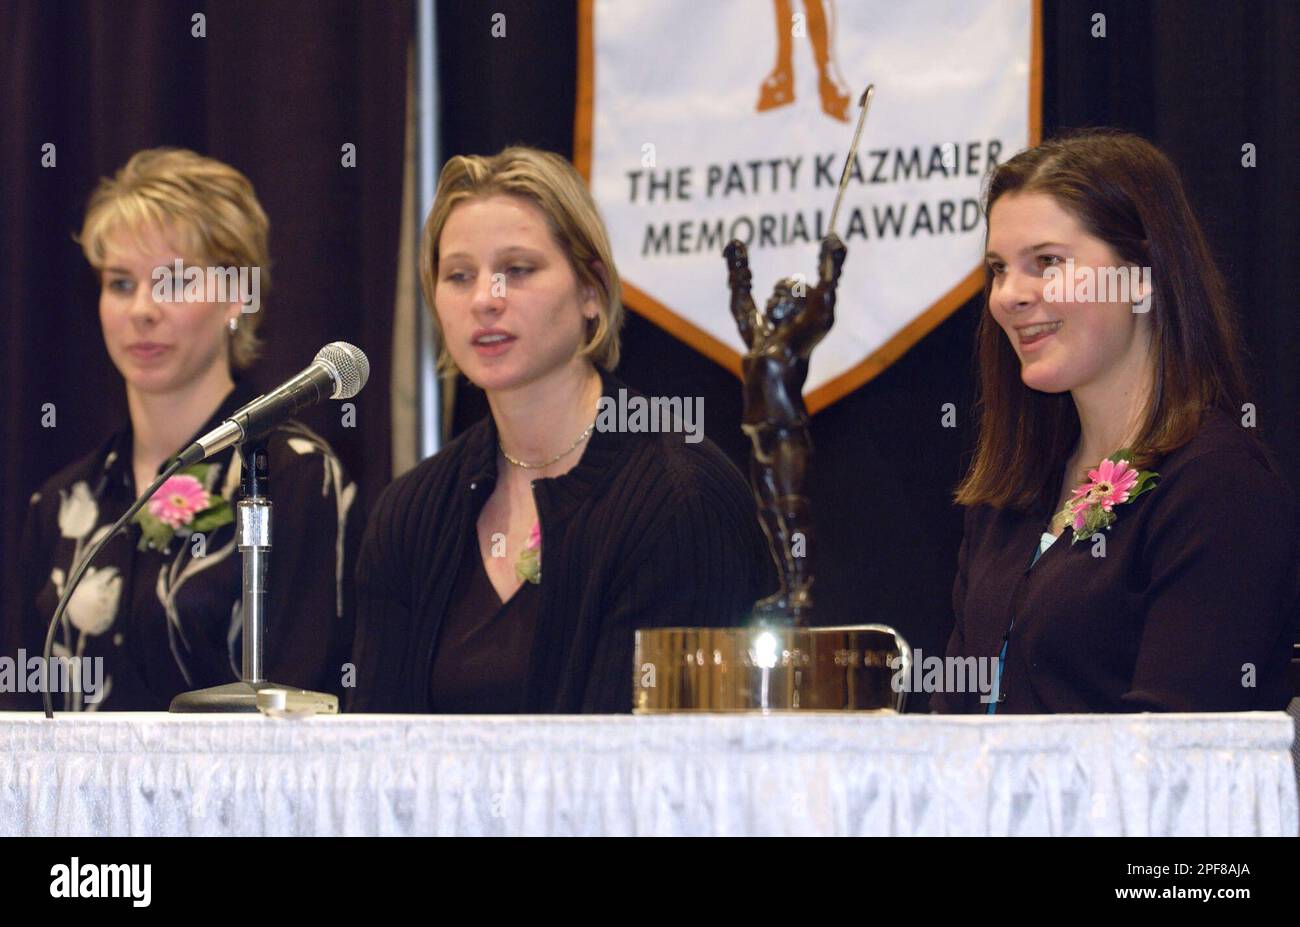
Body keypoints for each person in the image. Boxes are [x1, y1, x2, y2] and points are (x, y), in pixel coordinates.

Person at [347, 146, 773, 713]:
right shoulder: (412, 511)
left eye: (517, 270)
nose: (484, 300)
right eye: (458, 276)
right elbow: (373, 755)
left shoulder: (680, 495)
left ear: (591, 291)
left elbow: (652, 771)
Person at [934, 129, 1297, 714]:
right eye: (999, 268)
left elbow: (1177, 759)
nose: (1009, 295)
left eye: (1047, 262)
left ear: (1141, 275)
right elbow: (950, 720)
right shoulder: (1008, 494)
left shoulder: (1217, 485)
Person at [3, 148, 360, 711]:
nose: (143, 309)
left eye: (175, 283)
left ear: (238, 297)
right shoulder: (62, 502)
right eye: (121, 283)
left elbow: (310, 706)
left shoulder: (294, 477)